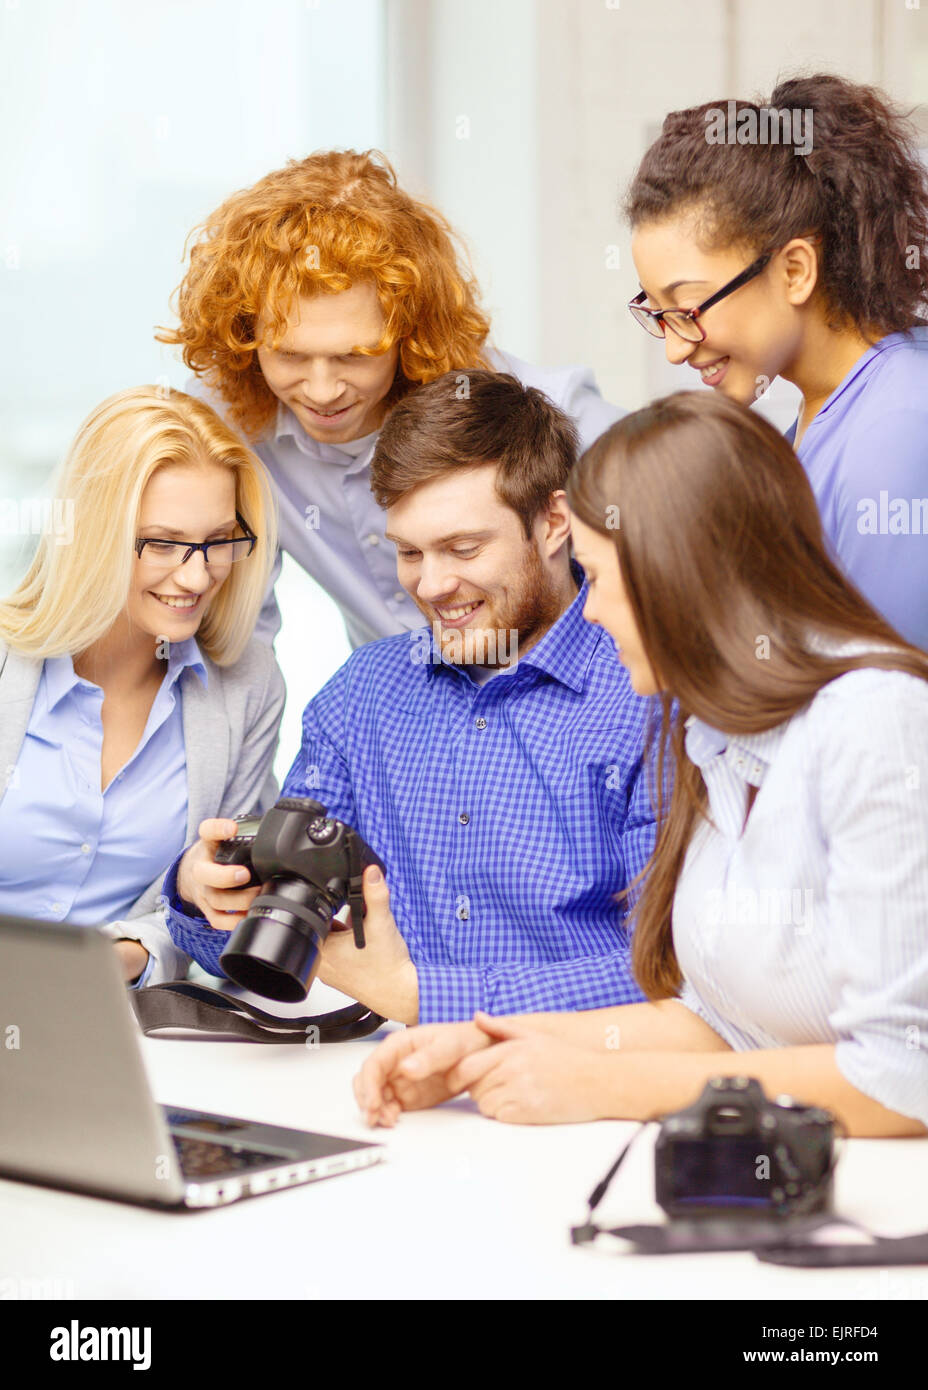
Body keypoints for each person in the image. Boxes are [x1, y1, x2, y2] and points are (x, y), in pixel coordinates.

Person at [353, 391, 928, 1138]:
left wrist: (608, 1083)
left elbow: (904, 1074)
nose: (590, 611)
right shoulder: (711, 734)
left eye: (603, 575)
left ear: (684, 572)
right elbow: (722, 1023)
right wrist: (488, 1046)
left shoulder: (875, 720)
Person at [162, 371, 656, 1023]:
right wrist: (200, 892)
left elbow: (680, 970)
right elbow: (277, 932)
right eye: (409, 552)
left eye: (462, 548)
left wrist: (426, 998)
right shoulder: (362, 695)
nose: (432, 584)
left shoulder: (651, 695)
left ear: (554, 522)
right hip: (387, 1088)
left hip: (587, 1091)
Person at [157, 149, 623, 649]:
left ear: (410, 332)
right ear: (247, 339)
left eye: (355, 356)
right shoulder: (222, 426)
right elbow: (236, 631)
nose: (321, 390)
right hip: (388, 715)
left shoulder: (555, 415)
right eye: (289, 356)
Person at [624, 73, 928, 648]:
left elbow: (893, 705)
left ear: (794, 271)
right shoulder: (821, 419)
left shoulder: (896, 434)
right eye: (656, 312)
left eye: (687, 307)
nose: (674, 348)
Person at [0, 387, 285, 986]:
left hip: (116, 1024)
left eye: (217, 541)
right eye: (161, 542)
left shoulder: (247, 687)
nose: (197, 575)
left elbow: (214, 918)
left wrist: (130, 952)